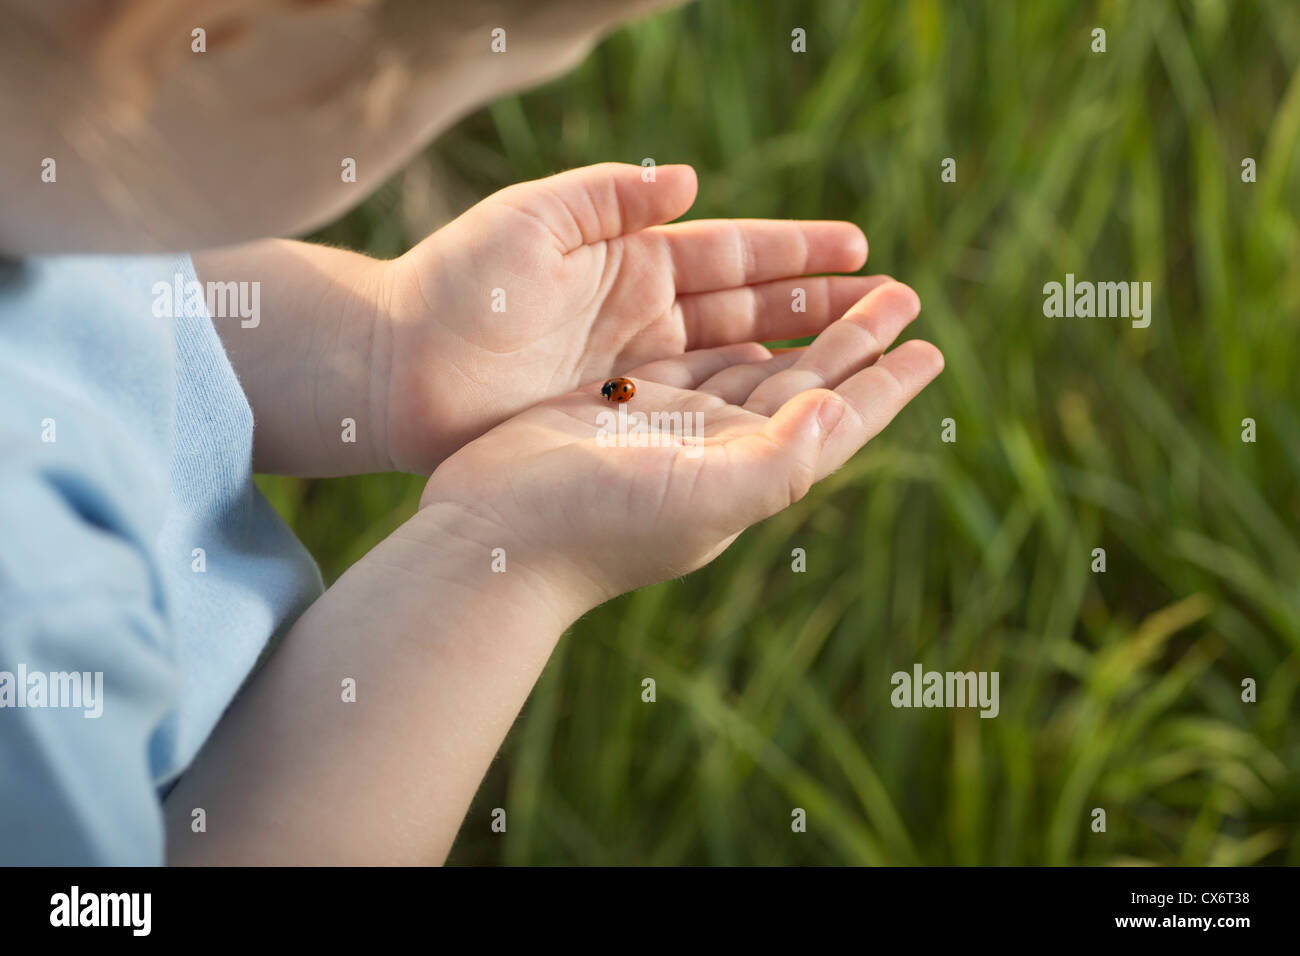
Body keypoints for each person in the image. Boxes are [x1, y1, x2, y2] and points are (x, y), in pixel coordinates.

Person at [0, 0, 942, 864]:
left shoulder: (41, 164)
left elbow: (110, 283)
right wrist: (503, 558)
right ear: (217, 34)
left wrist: (380, 341)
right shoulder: (27, 612)